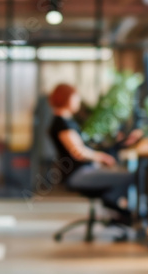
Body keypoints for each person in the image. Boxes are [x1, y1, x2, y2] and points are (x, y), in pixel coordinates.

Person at [47, 83, 141, 224]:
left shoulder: (68, 121)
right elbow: (77, 152)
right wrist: (101, 157)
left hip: (83, 170)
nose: (78, 101)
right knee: (128, 176)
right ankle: (120, 212)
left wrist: (119, 144)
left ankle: (118, 212)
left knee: (122, 175)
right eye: (75, 97)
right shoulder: (61, 123)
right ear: (66, 99)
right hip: (78, 174)